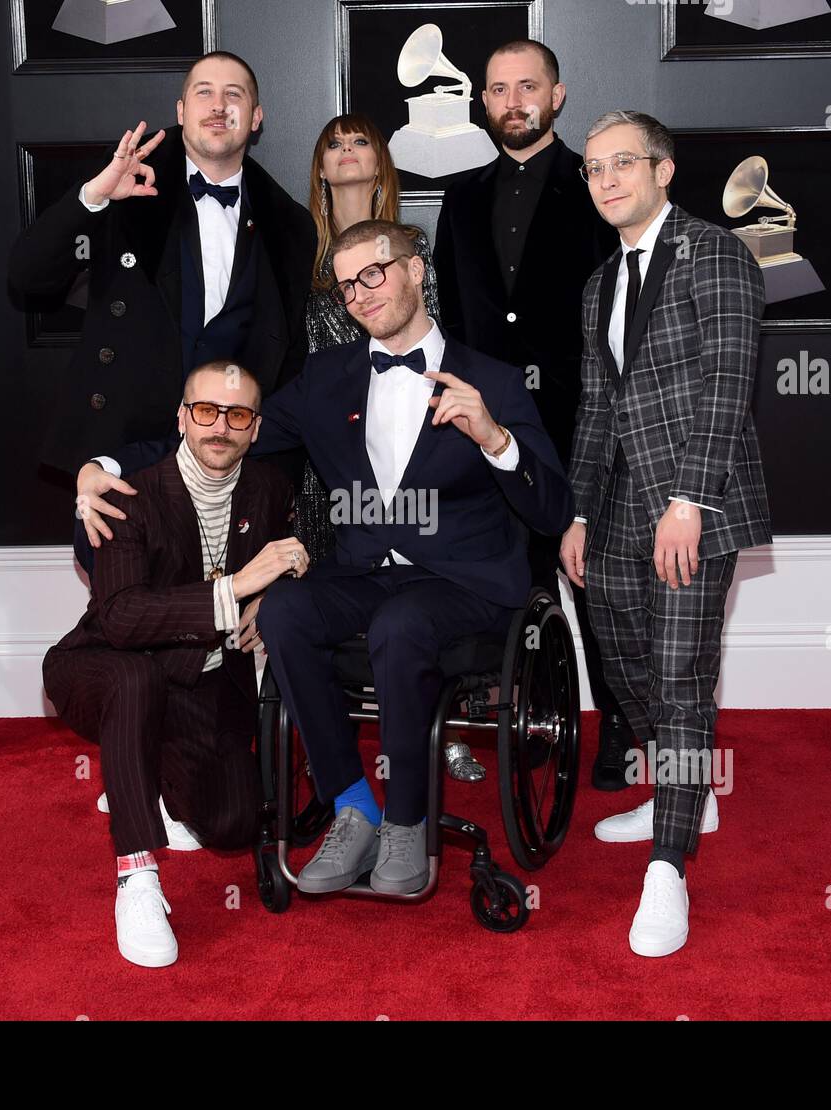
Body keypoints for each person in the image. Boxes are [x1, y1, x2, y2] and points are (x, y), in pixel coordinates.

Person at [251, 219, 572, 897]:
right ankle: (353, 805)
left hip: (467, 583)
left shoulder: (494, 379)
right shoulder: (323, 378)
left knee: (403, 623)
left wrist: (494, 436)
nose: (360, 295)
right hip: (366, 572)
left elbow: (549, 509)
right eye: (345, 286)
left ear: (415, 270)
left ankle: (405, 823)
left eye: (373, 273)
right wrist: (108, 464)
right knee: (284, 610)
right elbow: (232, 426)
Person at [559, 111, 771, 957]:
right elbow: (594, 406)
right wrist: (576, 510)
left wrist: (690, 498)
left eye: (622, 164)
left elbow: (729, 379)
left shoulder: (714, 252)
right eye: (593, 169)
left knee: (682, 677)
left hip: (691, 500)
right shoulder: (597, 284)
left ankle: (669, 863)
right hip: (613, 507)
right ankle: (682, 785)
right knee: (618, 656)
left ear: (663, 170)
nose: (607, 179)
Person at [43, 360, 306, 969]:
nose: (220, 427)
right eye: (206, 411)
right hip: (101, 665)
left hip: (197, 676)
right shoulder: (129, 493)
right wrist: (238, 584)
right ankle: (136, 877)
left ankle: (141, 767)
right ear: (182, 418)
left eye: (237, 415)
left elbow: (295, 556)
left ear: (256, 428)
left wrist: (270, 595)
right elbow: (123, 619)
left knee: (237, 823)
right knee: (134, 680)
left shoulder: (268, 490)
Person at [7, 50, 315, 567]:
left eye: (234, 95)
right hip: (126, 452)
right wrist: (94, 197)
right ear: (180, 110)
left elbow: (289, 361)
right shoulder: (123, 183)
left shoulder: (290, 223)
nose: (219, 106)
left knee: (224, 625)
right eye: (204, 93)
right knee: (129, 613)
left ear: (256, 118)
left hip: (231, 456)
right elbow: (27, 278)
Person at [434, 39, 636, 791]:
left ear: (556, 96)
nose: (513, 100)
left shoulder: (595, 188)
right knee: (506, 578)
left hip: (582, 419)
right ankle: (523, 714)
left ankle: (617, 725)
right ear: (482, 102)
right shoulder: (459, 198)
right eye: (498, 89)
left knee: (592, 584)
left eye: (529, 86)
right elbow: (455, 319)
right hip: (493, 426)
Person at [300, 113, 483, 783]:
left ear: (381, 162)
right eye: (334, 145)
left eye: (359, 142)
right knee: (342, 595)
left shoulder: (416, 244)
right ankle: (344, 742)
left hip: (409, 437)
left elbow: (438, 338)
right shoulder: (302, 251)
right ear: (320, 166)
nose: (347, 153)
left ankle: (440, 732)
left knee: (418, 589)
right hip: (330, 454)